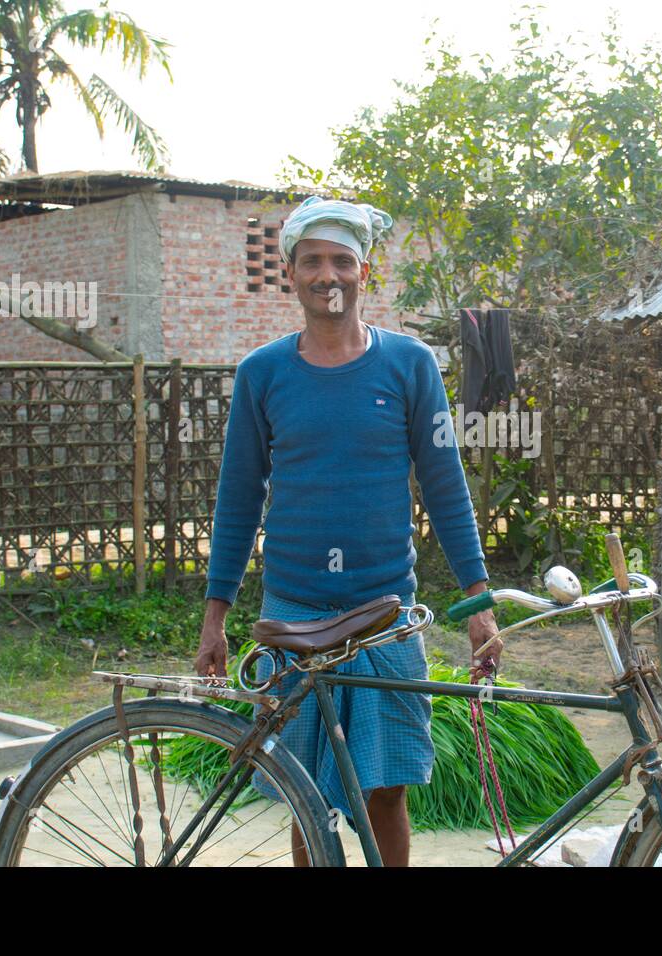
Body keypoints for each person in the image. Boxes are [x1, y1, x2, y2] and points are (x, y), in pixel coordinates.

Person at [193, 195, 500, 866]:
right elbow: (238, 500)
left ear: (365, 271)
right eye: (311, 262)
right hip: (294, 614)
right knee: (306, 797)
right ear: (292, 274)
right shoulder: (263, 374)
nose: (326, 274)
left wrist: (479, 604)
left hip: (385, 613)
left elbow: (446, 488)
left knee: (386, 790)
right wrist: (215, 620)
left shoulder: (410, 366)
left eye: (341, 260)